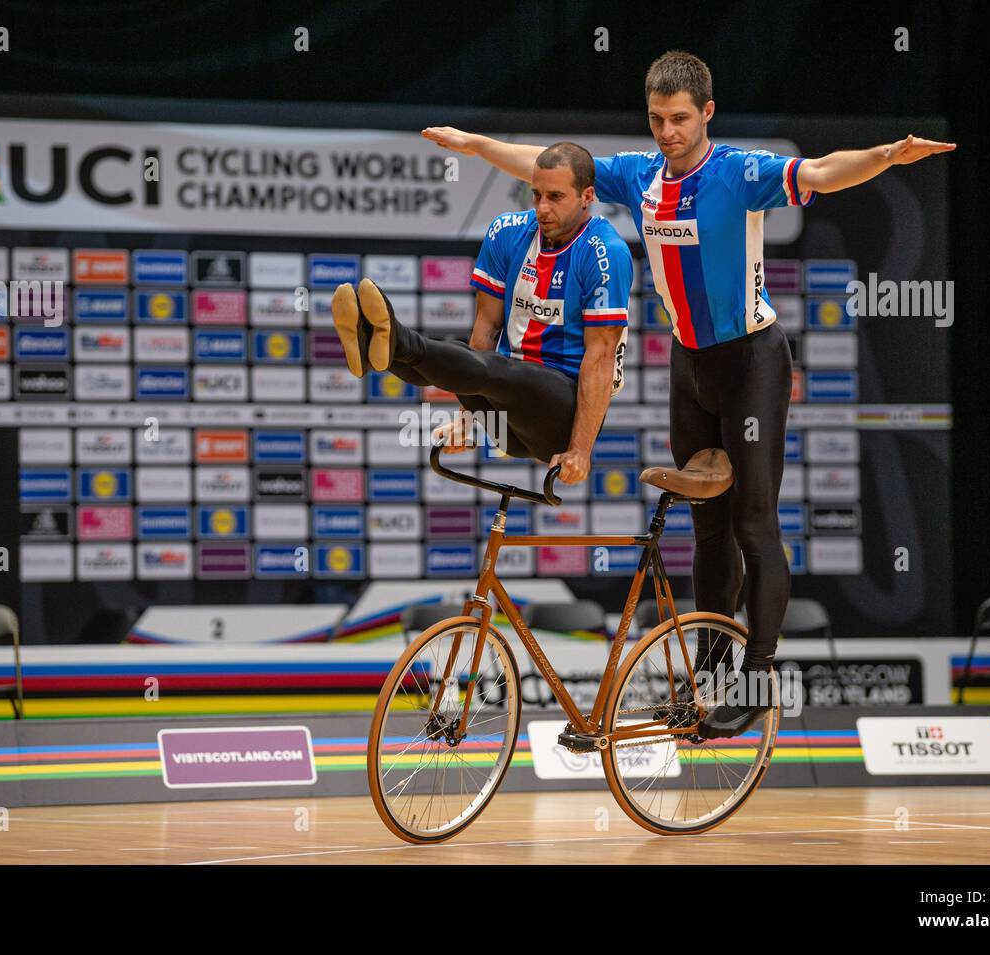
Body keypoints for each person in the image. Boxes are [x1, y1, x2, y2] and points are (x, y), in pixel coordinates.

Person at [423, 50, 955, 738]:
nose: (667, 132)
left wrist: (887, 154)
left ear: (707, 112)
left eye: (679, 118)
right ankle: (709, 675)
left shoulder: (740, 172)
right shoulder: (640, 174)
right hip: (690, 366)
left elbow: (823, 172)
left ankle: (756, 679)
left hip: (752, 363)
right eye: (656, 119)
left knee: (753, 524)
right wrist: (473, 144)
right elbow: (545, 166)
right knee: (705, 527)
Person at [332, 141, 633, 486]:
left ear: (587, 196)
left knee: (498, 370)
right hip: (505, 423)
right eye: (536, 195)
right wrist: (466, 420)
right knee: (479, 362)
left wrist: (580, 450)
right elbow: (486, 330)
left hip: (561, 419)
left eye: (555, 197)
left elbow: (600, 358)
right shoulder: (507, 232)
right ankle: (381, 348)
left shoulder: (605, 252)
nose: (542, 208)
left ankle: (396, 340)